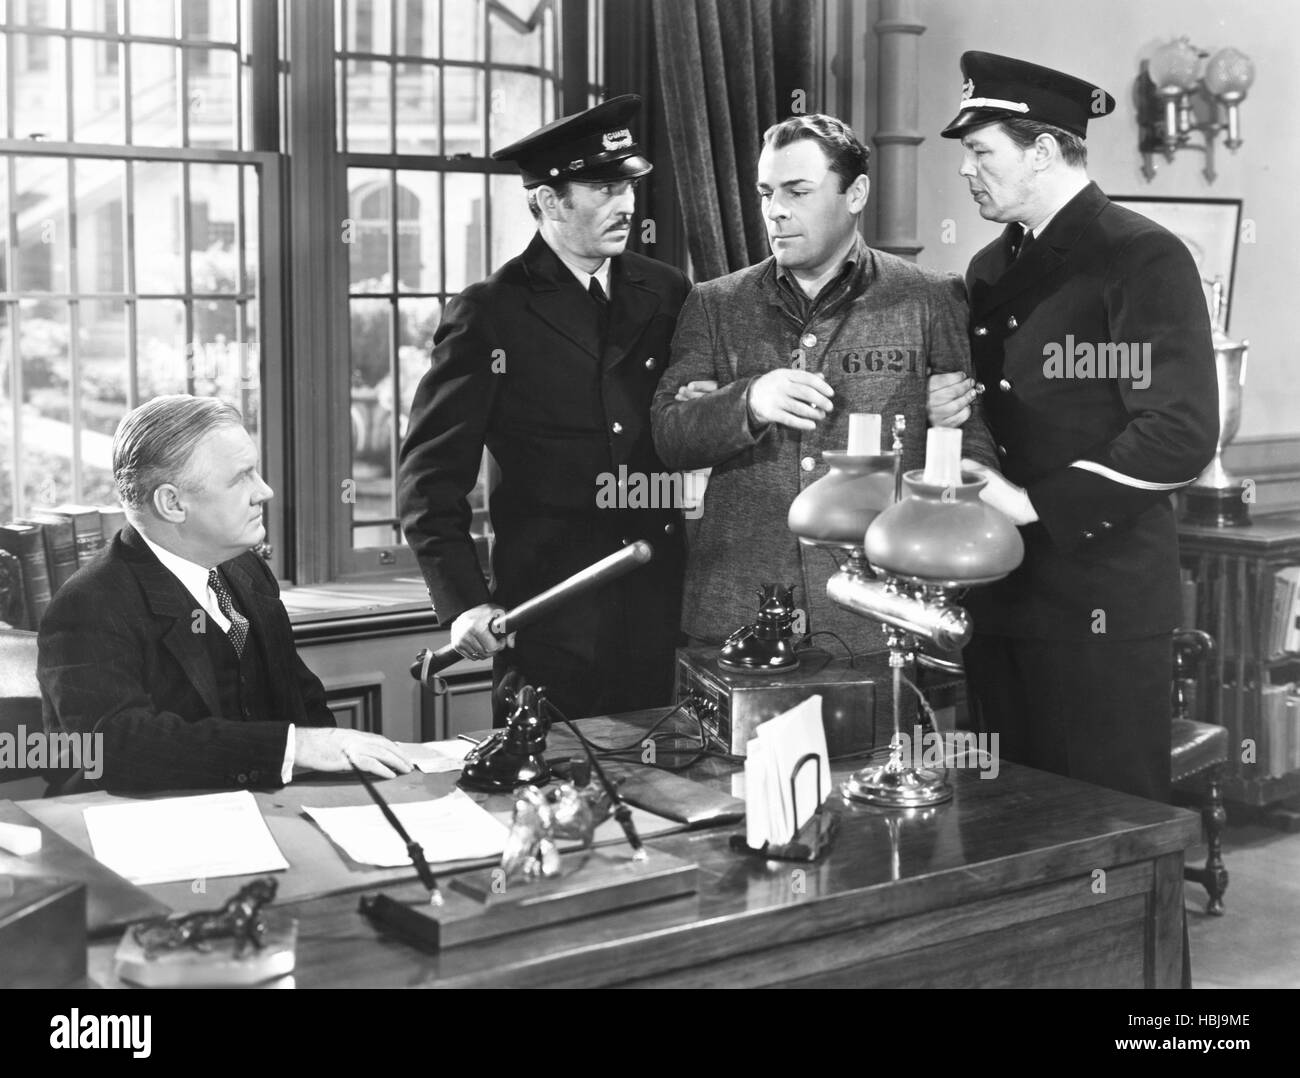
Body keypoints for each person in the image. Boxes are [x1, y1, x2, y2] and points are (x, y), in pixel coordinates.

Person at [929, 52, 1219, 802]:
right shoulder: (992, 267)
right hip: (1002, 595)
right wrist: (952, 416)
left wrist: (1035, 505)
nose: (968, 171)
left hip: (1100, 603)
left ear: (1047, 151)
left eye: (982, 151)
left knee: (1109, 828)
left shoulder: (1137, 255)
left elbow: (1180, 432)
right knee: (1008, 825)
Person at [651, 113, 997, 654]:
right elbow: (670, 437)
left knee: (879, 746)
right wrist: (750, 401)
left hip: (877, 621)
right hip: (738, 618)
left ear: (855, 193)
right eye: (766, 192)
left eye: (798, 191)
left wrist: (955, 482)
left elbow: (969, 439)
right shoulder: (715, 303)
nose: (775, 211)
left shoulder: (930, 299)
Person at [398, 95, 691, 721]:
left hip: (663, 606)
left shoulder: (666, 290)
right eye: (604, 188)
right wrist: (465, 603)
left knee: (674, 798)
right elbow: (429, 479)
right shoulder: (491, 312)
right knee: (552, 801)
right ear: (548, 202)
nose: (627, 204)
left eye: (630, 186)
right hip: (554, 617)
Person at [38, 395, 413, 793]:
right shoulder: (90, 604)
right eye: (241, 478)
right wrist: (290, 747)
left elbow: (303, 700)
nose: (264, 491)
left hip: (274, 809)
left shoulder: (245, 569)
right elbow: (116, 746)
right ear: (172, 503)